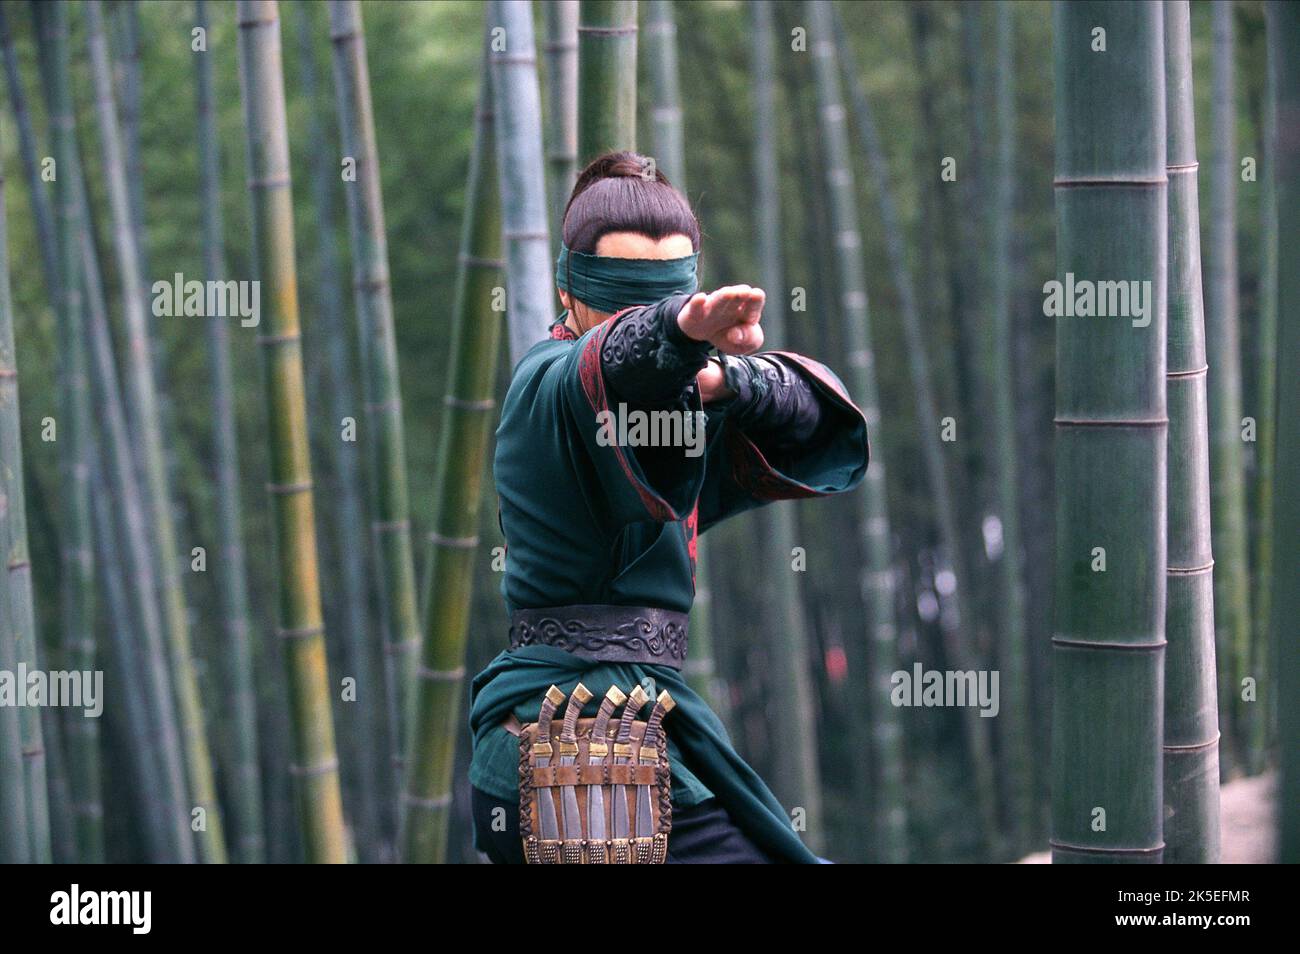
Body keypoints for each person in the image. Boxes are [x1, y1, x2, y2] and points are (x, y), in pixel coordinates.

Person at [468, 151, 869, 863]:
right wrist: (675, 332)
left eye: (665, 292)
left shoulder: (680, 412)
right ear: (569, 291)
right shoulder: (549, 385)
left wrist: (727, 378)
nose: (641, 311)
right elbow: (622, 358)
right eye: (620, 292)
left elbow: (814, 416)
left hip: (629, 731)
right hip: (567, 746)